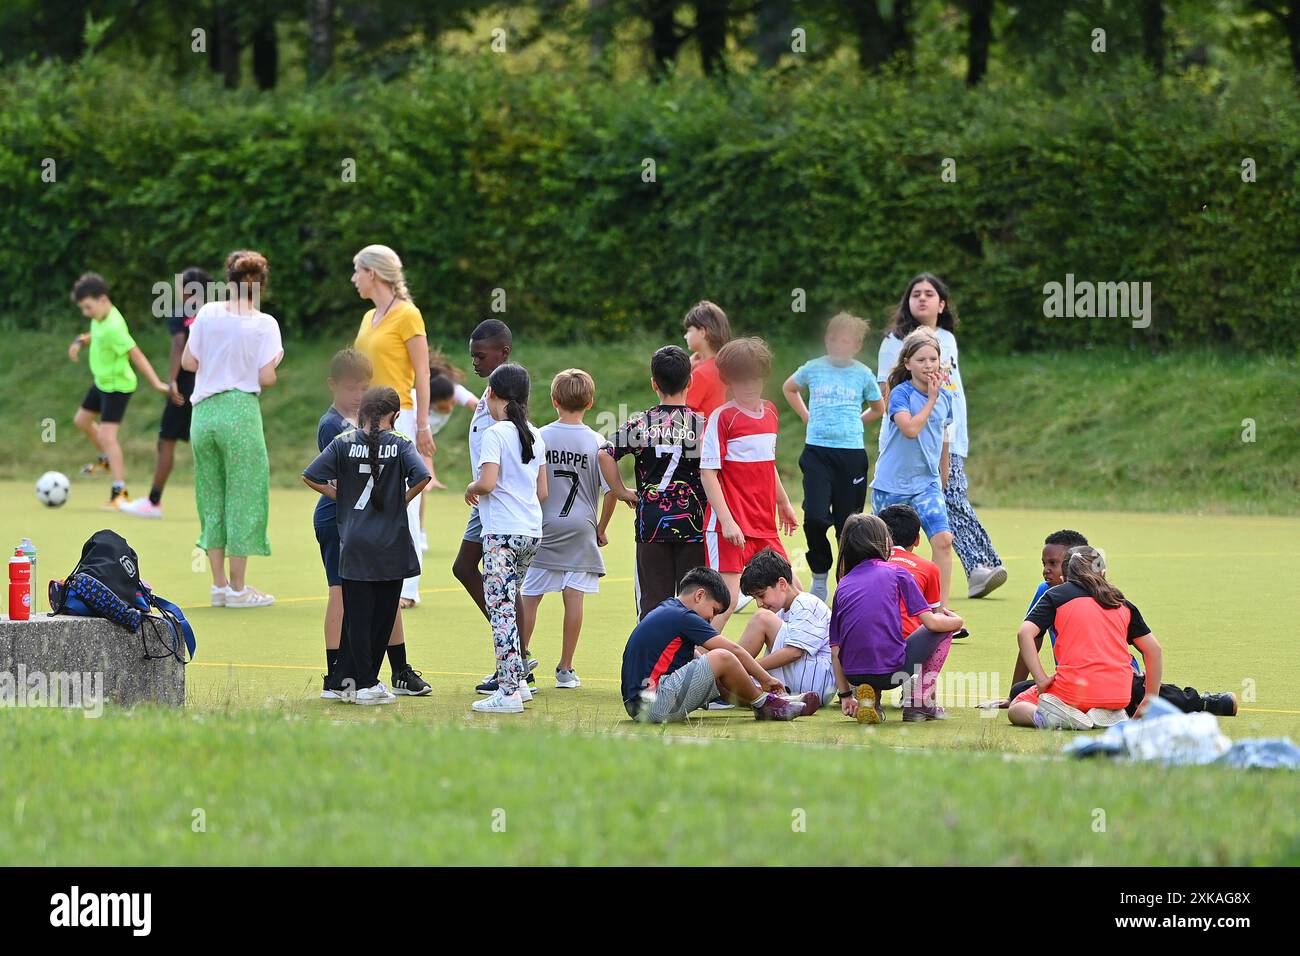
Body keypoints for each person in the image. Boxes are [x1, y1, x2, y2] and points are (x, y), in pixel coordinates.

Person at [996, 530, 1237, 718]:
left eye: (1054, 564)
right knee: (1021, 691)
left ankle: (1206, 702)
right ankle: (1110, 711)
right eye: (1044, 564)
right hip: (1077, 679)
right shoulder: (1046, 592)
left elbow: (1025, 635)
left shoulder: (1106, 598)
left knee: (1143, 691)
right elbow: (1031, 643)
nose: (1046, 571)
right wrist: (1013, 691)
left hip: (1116, 675)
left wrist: (1040, 681)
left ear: (1071, 567)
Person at [877, 274, 1006, 599]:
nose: (921, 298)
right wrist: (925, 403)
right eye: (915, 293)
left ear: (942, 303)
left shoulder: (947, 339)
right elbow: (893, 403)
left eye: (929, 293)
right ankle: (977, 565)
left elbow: (951, 399)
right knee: (891, 543)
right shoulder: (895, 345)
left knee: (949, 514)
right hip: (899, 461)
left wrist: (948, 447)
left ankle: (952, 594)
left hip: (938, 451)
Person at [303, 387, 431, 705]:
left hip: (355, 542)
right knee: (383, 615)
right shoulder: (401, 443)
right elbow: (423, 476)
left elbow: (311, 475)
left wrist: (342, 498)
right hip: (390, 543)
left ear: (363, 413)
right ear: (396, 416)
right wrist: (397, 502)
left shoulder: (343, 442)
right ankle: (367, 684)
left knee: (357, 616)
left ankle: (354, 682)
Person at [182, 250, 283, 608]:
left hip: (204, 413)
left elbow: (188, 361)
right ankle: (239, 589)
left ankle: (219, 586)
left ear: (229, 283)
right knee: (243, 496)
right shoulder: (265, 324)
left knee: (211, 497)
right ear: (261, 287)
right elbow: (266, 377)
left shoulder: (207, 313)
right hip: (239, 412)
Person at [521, 369, 630, 689]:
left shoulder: (538, 436)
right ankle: (565, 668)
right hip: (581, 528)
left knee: (530, 598)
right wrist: (601, 527)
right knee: (575, 600)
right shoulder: (598, 442)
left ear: (554, 401)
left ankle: (521, 661)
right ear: (590, 403)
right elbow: (612, 491)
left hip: (543, 527)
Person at [453, 321, 542, 696]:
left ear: (502, 352)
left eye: (481, 355)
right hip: (494, 507)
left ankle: (516, 659)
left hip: (497, 504)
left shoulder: (504, 404)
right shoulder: (493, 394)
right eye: (472, 355)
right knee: (471, 572)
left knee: (500, 592)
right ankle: (517, 658)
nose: (475, 361)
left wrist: (477, 487)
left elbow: (503, 466)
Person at [351, 245, 434, 610]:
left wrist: (422, 425)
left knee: (405, 506)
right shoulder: (368, 317)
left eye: (356, 271)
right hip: (365, 421)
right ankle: (375, 576)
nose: (353, 279)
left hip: (399, 418)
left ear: (373, 273)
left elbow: (423, 372)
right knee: (369, 500)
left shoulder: (408, 315)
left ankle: (408, 587)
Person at [782, 311, 885, 602]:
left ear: (856, 345)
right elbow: (789, 388)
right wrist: (806, 416)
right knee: (814, 517)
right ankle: (819, 576)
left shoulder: (863, 373)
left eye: (846, 342)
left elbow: (878, 408)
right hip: (817, 453)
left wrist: (856, 422)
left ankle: (847, 582)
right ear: (827, 340)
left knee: (847, 524)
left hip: (851, 455)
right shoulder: (813, 369)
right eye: (834, 340)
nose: (839, 346)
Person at [700, 337, 800, 633]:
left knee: (791, 588)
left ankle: (802, 654)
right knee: (727, 599)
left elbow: (768, 465)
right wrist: (728, 522)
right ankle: (696, 658)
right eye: (741, 379)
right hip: (728, 526)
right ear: (729, 380)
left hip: (763, 523)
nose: (749, 385)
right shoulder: (722, 418)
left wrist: (783, 503)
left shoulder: (770, 412)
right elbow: (708, 473)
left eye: (754, 378)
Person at [620, 567, 811, 723]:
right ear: (699, 595)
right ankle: (764, 704)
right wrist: (766, 678)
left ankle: (774, 701)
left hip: (640, 705)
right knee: (722, 657)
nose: (711, 619)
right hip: (653, 705)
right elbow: (733, 650)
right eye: (714, 610)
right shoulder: (683, 616)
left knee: (706, 662)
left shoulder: (669, 609)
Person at [465, 364, 548, 714]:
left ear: (493, 395)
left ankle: (509, 691)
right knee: (509, 605)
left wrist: (472, 488)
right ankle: (518, 683)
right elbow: (542, 491)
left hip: (501, 533)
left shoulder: (495, 433)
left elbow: (487, 482)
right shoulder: (536, 433)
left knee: (500, 612)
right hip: (531, 532)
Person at [599, 345, 706, 619]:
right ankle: (687, 659)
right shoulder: (700, 424)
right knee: (693, 603)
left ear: (654, 384)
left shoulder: (641, 424)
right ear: (690, 381)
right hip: (693, 524)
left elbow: (605, 453)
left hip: (651, 523)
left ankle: (652, 659)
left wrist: (621, 490)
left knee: (653, 603)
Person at [1008, 546, 1164, 730]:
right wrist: (1149, 698)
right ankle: (1105, 713)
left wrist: (1041, 679)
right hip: (1120, 694)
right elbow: (1154, 649)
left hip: (1073, 691)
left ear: (1064, 578)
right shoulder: (1122, 603)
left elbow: (1025, 633)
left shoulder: (1056, 595)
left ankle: (1055, 719)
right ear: (1103, 573)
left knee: (1017, 706)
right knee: (1099, 698)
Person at [829, 514, 964, 724]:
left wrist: (845, 695)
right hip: (891, 672)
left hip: (853, 674)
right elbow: (931, 622)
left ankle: (872, 701)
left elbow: (836, 650)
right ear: (884, 542)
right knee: (943, 626)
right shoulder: (897, 572)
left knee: (868, 643)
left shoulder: (843, 584)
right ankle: (919, 702)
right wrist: (957, 622)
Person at [67, 272, 170, 509]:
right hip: (102, 383)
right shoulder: (101, 319)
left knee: (107, 436)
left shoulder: (114, 326)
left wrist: (156, 383)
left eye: (88, 307)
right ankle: (105, 460)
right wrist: (81, 341)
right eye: (83, 308)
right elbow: (97, 335)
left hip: (117, 387)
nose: (86, 313)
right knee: (82, 420)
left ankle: (119, 492)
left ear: (103, 300)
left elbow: (136, 353)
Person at [870, 328, 956, 606]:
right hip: (891, 484)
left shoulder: (946, 398)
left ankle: (939, 610)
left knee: (943, 540)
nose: (929, 365)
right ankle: (874, 604)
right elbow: (909, 429)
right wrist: (931, 398)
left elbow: (944, 439)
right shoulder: (900, 395)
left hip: (926, 485)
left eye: (933, 359)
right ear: (908, 363)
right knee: (879, 550)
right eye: (921, 360)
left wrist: (942, 478)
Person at [121, 265, 209, 518]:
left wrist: (171, 381)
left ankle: (153, 502)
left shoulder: (181, 312)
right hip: (210, 386)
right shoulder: (212, 314)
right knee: (208, 446)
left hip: (184, 388)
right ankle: (221, 506)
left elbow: (179, 344)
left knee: (165, 441)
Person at [736, 548, 836, 705]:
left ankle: (732, 669)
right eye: (755, 598)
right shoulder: (781, 611)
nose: (759, 603)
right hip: (800, 683)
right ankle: (777, 701)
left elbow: (794, 652)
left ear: (782, 583)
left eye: (761, 595)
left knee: (762, 618)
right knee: (731, 689)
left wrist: (749, 669)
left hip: (815, 683)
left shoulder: (806, 603)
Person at [879, 503, 968, 642]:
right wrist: (957, 623)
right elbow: (933, 618)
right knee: (940, 629)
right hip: (907, 647)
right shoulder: (928, 568)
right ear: (917, 540)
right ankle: (919, 665)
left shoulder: (866, 564)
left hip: (864, 645)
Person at [423, 348, 478, 491]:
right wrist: (431, 477)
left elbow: (478, 405)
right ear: (430, 403)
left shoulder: (453, 389)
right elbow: (423, 446)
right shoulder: (420, 409)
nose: (449, 409)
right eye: (442, 408)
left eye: (452, 403)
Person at [682, 300, 731, 418]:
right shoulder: (727, 367)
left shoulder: (700, 374)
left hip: (701, 435)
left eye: (689, 331)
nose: (685, 336)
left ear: (703, 332)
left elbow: (678, 414)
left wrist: (683, 372)